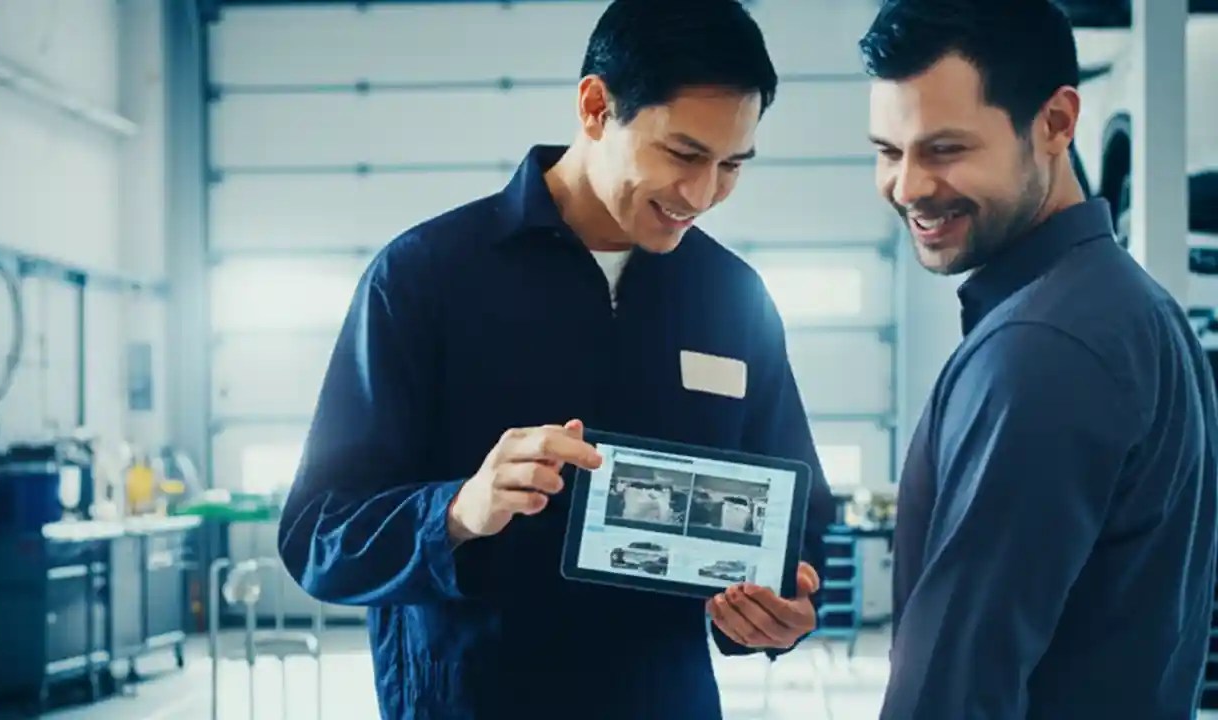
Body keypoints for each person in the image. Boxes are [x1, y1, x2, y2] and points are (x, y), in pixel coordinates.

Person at [276, 1, 837, 718]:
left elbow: (801, 517)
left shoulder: (734, 298)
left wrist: (783, 608)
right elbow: (319, 533)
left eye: (732, 165)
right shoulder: (425, 278)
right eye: (684, 154)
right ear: (597, 106)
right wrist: (455, 511)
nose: (703, 195)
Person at [859, 0, 1218, 717]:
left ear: (1055, 123)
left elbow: (953, 687)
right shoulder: (1134, 309)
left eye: (946, 149)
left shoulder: (1042, 352)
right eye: (889, 151)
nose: (909, 188)